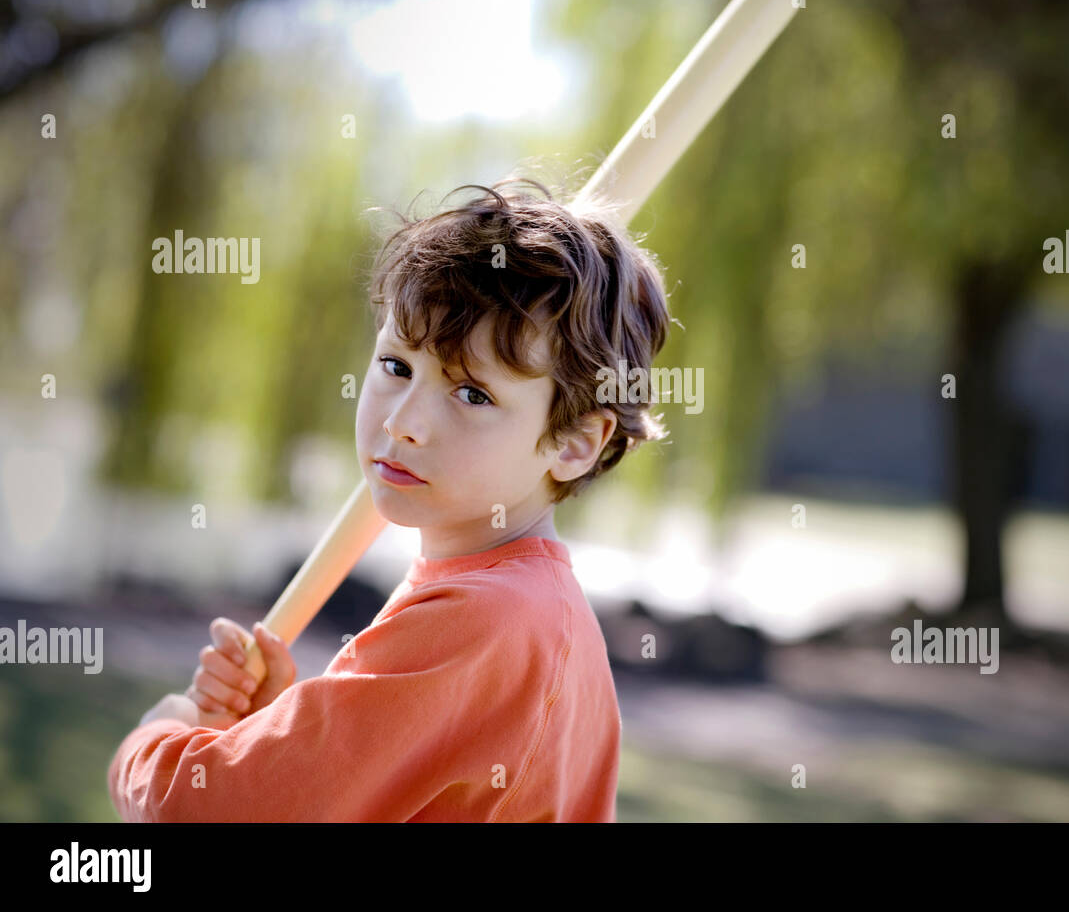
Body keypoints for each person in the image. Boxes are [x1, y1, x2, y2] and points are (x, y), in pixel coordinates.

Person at [107, 176, 673, 821]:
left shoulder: (485, 621)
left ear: (573, 442)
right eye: (397, 366)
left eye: (473, 394)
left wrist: (161, 740)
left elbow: (199, 812)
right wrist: (273, 735)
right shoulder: (541, 614)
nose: (405, 422)